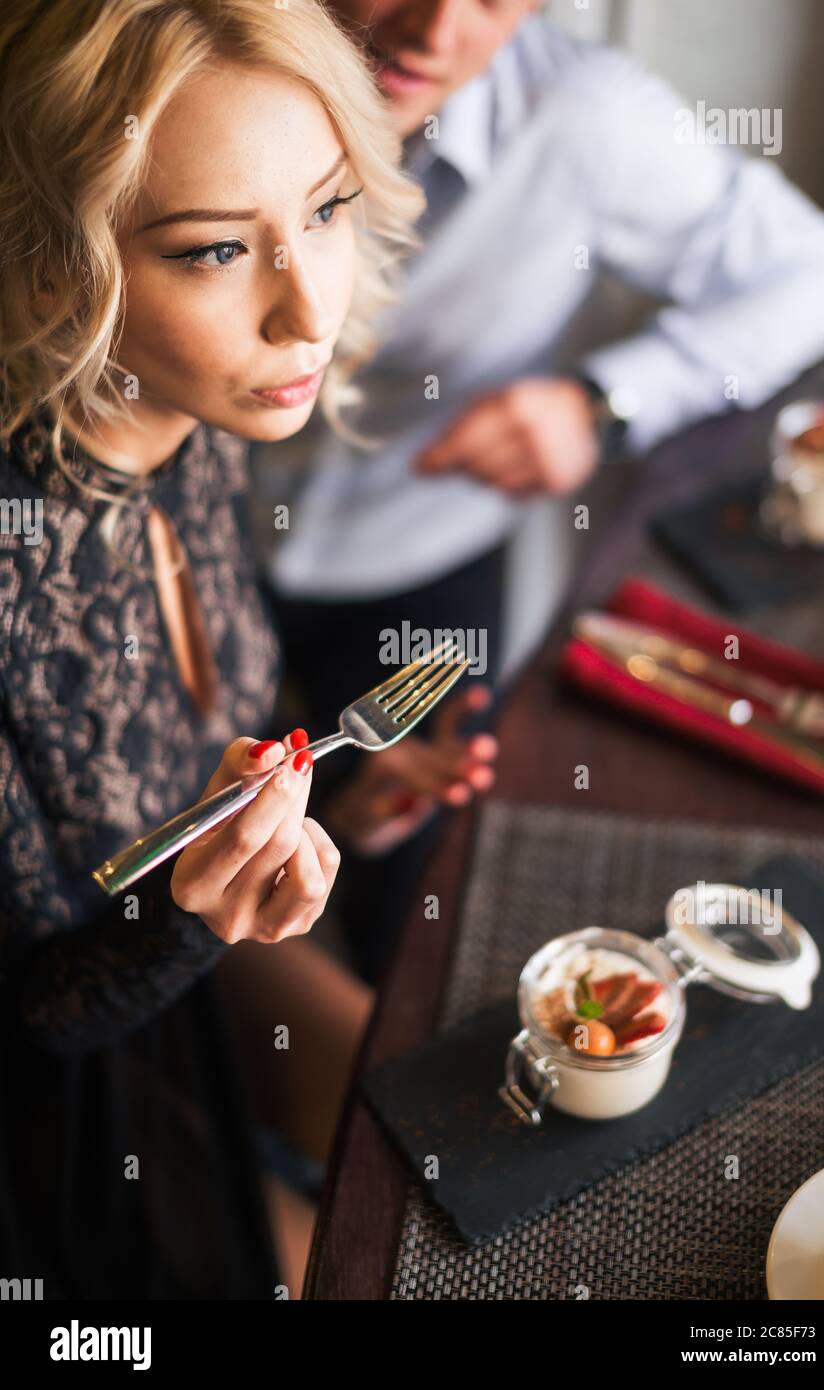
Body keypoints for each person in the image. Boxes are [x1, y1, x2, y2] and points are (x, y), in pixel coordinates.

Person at [259, 0, 824, 973]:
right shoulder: (194, 73)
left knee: (415, 885)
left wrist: (601, 403)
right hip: (173, 550)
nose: (431, 28)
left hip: (415, 552)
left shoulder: (583, 120)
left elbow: (811, 276)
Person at [0, 0, 443, 1300]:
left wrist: (339, 791)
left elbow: (198, 736)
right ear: (48, 265)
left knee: (475, 1132)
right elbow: (33, 1013)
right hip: (58, 1109)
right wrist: (194, 912)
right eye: (211, 252)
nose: (308, 307)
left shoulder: (172, 421)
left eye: (322, 209)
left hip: (189, 999)